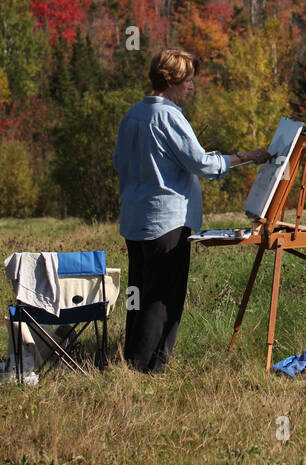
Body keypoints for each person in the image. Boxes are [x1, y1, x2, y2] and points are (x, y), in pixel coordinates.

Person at [113, 47, 270, 373]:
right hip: (166, 221)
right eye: (188, 80)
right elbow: (202, 164)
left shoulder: (132, 115)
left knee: (137, 294)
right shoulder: (168, 116)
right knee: (163, 297)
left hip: (135, 220)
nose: (192, 87)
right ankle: (148, 370)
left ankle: (131, 361)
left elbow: (121, 163)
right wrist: (246, 157)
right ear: (172, 80)